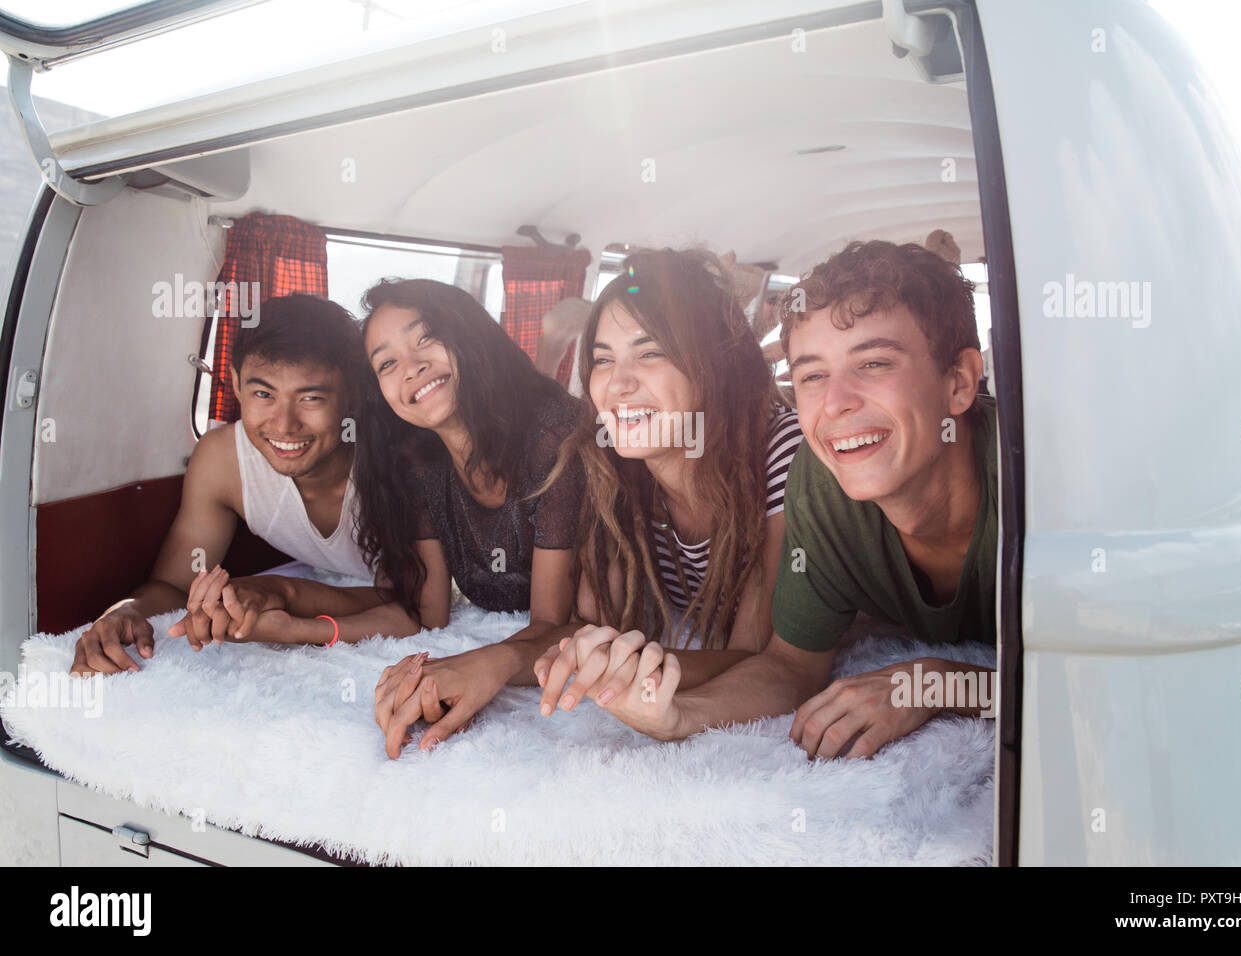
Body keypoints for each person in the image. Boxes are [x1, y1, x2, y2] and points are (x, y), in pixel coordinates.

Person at [542, 240, 998, 760]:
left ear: (959, 382)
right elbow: (790, 667)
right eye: (812, 376)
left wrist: (935, 684)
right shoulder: (822, 481)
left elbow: (1104, 677)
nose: (836, 403)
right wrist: (673, 717)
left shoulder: (1045, 483)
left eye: (873, 364)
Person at [375, 248, 803, 741]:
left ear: (713, 362)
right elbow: (583, 624)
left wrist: (632, 672)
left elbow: (757, 657)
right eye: (602, 360)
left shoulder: (781, 452)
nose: (618, 384)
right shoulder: (609, 463)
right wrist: (487, 665)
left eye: (650, 352)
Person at [228, 279, 585, 757]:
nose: (412, 368)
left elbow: (551, 621)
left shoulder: (553, 440)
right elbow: (425, 613)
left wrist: (476, 666)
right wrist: (300, 628)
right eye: (387, 363)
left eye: (426, 338)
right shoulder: (418, 458)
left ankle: (554, 342)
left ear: (467, 335)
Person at [71, 294, 378, 675]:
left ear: (354, 394)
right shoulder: (221, 460)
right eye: (263, 394)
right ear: (234, 383)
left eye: (311, 397)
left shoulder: (392, 462)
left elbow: (415, 604)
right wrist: (125, 611)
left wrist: (282, 593)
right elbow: (174, 583)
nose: (284, 425)